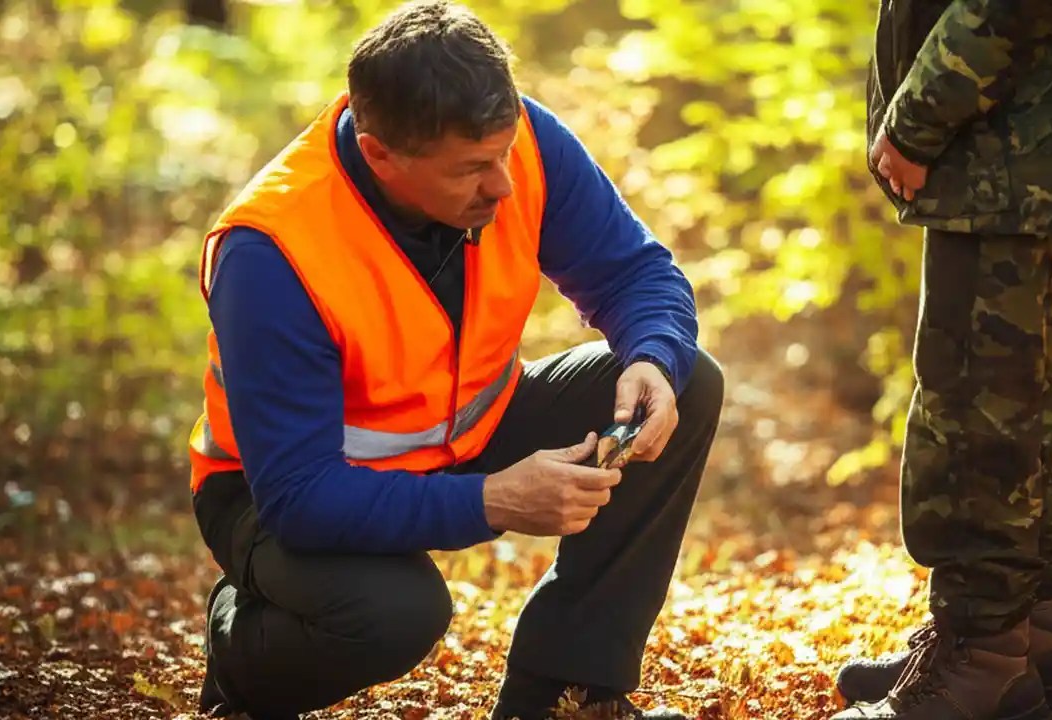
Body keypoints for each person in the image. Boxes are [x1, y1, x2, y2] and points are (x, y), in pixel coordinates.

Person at [186, 2, 722, 718]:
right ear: (380, 155)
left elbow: (637, 274)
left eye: (503, 154)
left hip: (464, 432)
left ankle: (562, 692)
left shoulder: (519, 140)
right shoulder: (271, 253)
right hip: (279, 495)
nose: (502, 183)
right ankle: (239, 660)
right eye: (472, 169)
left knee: (692, 381)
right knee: (397, 613)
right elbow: (300, 498)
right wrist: (493, 499)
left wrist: (653, 358)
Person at [833, 2, 1052, 719]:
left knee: (974, 405)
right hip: (1031, 132)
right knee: (1028, 395)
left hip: (1001, 137)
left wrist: (918, 117)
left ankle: (984, 657)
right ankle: (1038, 634)